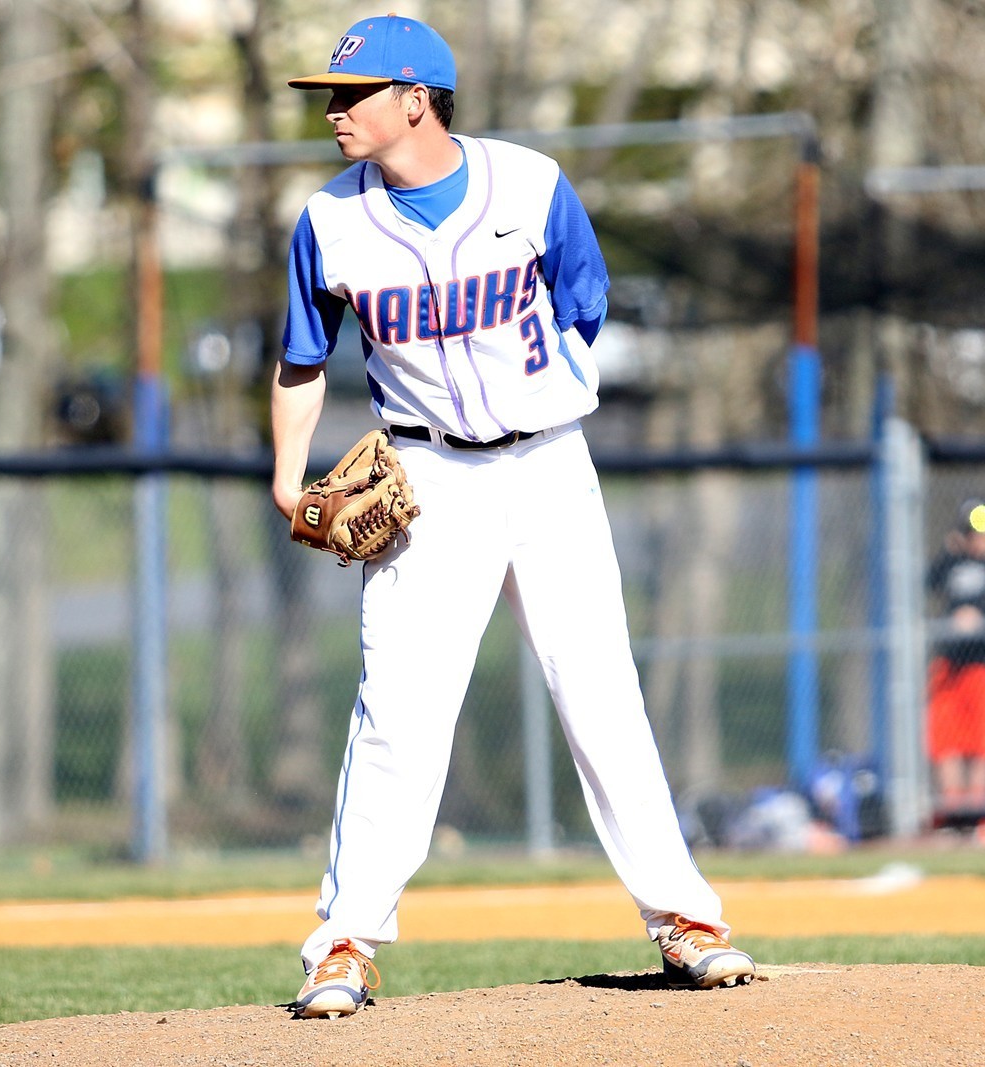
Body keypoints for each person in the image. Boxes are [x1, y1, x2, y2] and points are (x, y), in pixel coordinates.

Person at [270, 14, 755, 1020]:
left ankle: (683, 918)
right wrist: (287, 477)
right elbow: (302, 358)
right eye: (328, 94)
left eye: (350, 94)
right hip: (424, 481)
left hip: (545, 469)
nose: (332, 111)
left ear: (418, 99)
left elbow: (586, 302)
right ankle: (345, 942)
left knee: (599, 694)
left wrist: (532, 404)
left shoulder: (528, 185)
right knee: (397, 712)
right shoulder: (329, 222)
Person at [925, 496, 985, 838]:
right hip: (951, 663)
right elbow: (929, 581)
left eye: (984, 531)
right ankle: (954, 815)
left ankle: (977, 813)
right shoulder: (956, 562)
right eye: (971, 533)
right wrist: (950, 551)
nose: (977, 539)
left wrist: (980, 617)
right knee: (945, 739)